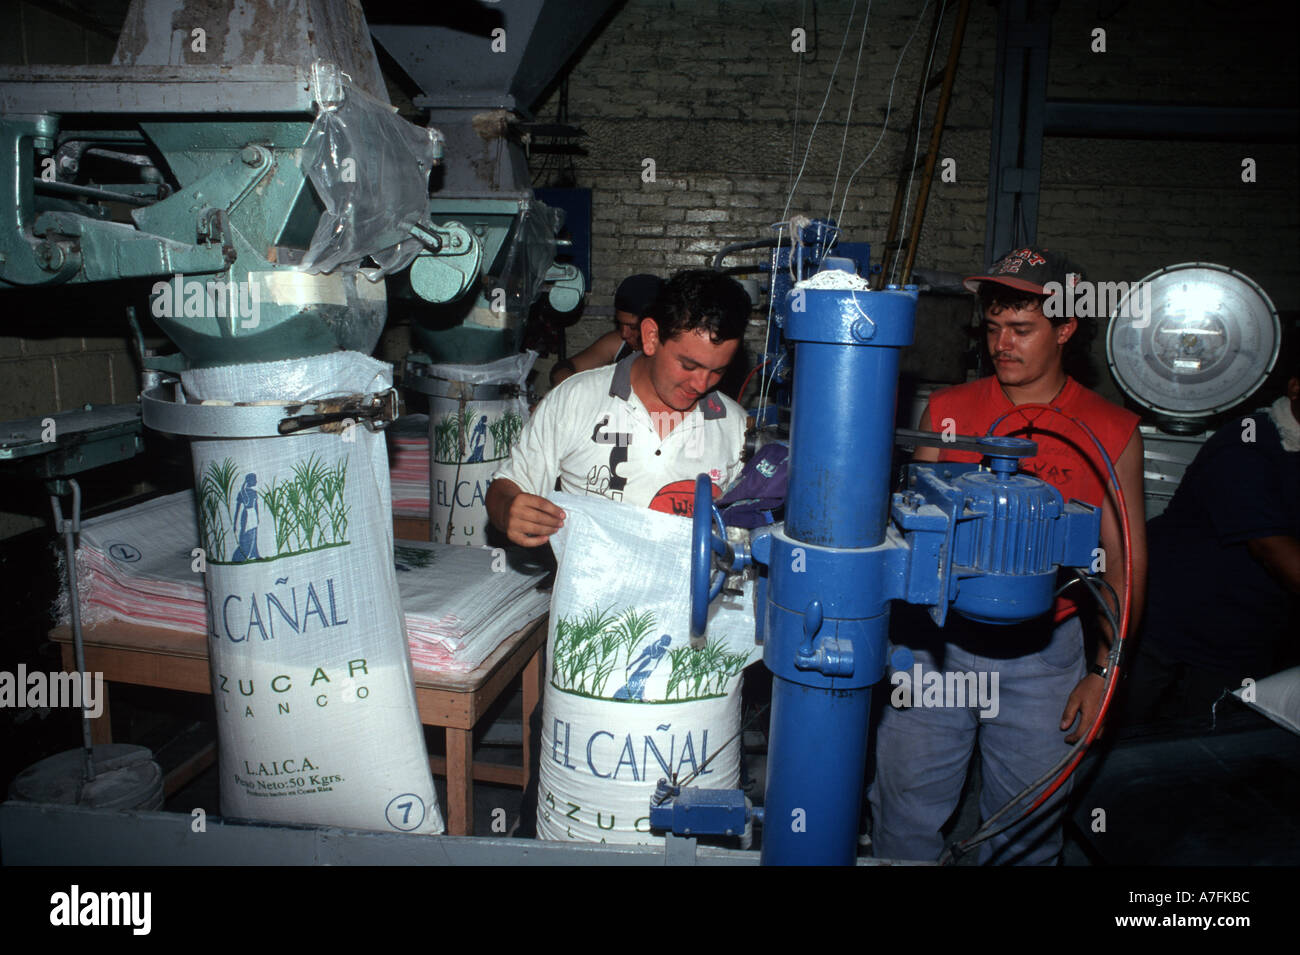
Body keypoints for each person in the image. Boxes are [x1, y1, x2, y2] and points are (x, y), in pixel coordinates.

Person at [868, 246, 1148, 865]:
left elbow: (1125, 565)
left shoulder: (1112, 429)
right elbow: (910, 536)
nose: (1003, 343)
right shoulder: (948, 413)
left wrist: (1106, 674)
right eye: (993, 327)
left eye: (1022, 329)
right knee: (904, 812)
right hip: (937, 648)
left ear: (1067, 328)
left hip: (1045, 659)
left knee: (1023, 828)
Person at [487, 269, 750, 547]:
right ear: (650, 336)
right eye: (688, 365)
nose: (701, 384)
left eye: (717, 371)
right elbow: (506, 486)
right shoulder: (575, 399)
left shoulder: (735, 428)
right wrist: (508, 510)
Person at [1122, 363, 1300, 724]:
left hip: (1245, 638)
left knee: (1209, 757)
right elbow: (1269, 546)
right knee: (1121, 740)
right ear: (1295, 387)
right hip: (1165, 623)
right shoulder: (1249, 440)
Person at [550, 273, 663, 387]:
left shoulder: (669, 352)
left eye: (632, 327)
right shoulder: (618, 343)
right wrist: (573, 387)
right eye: (620, 324)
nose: (624, 333)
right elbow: (562, 369)